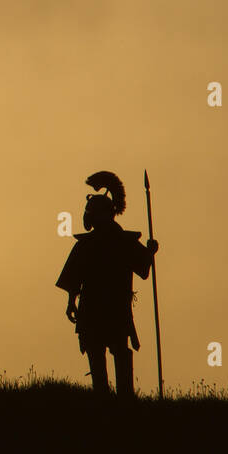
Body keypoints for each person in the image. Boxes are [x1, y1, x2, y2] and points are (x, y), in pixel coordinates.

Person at [56, 171, 157, 398]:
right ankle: (105, 397)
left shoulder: (121, 242)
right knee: (98, 351)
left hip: (113, 307)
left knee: (118, 350)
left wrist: (149, 253)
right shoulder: (91, 245)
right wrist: (71, 302)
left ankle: (123, 397)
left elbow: (142, 269)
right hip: (95, 307)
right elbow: (75, 277)